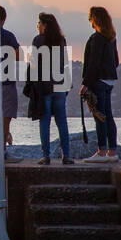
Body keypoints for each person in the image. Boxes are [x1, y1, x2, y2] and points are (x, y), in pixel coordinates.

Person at [26, 11, 74, 165]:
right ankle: (66, 155)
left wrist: (30, 84)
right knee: (62, 122)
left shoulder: (38, 40)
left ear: (45, 25)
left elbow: (33, 64)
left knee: (44, 121)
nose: (37, 25)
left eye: (39, 23)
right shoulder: (61, 40)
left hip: (44, 87)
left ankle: (45, 155)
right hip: (60, 86)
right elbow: (65, 62)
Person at [81, 6, 119, 163]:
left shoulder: (96, 38)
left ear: (94, 19)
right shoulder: (111, 38)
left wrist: (85, 84)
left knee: (99, 116)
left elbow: (93, 64)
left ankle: (102, 151)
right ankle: (112, 152)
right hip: (109, 81)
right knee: (108, 116)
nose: (89, 21)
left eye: (90, 18)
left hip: (98, 82)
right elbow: (115, 62)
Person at [0, 6, 22, 152]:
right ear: (4, 19)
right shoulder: (8, 36)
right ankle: (3, 148)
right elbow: (18, 56)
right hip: (6, 81)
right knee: (6, 115)